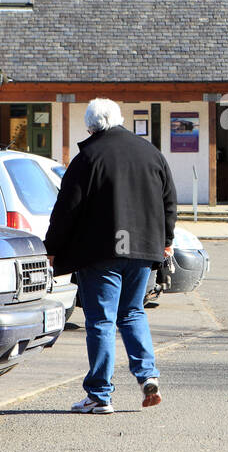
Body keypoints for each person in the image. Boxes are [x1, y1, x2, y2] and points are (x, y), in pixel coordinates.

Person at [45, 98, 176, 414]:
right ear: (120, 120)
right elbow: (169, 201)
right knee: (132, 312)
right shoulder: (151, 153)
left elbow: (67, 210)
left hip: (100, 251)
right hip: (144, 249)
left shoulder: (88, 157)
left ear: (91, 126)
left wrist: (52, 248)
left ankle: (99, 395)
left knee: (101, 321)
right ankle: (148, 376)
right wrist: (166, 241)